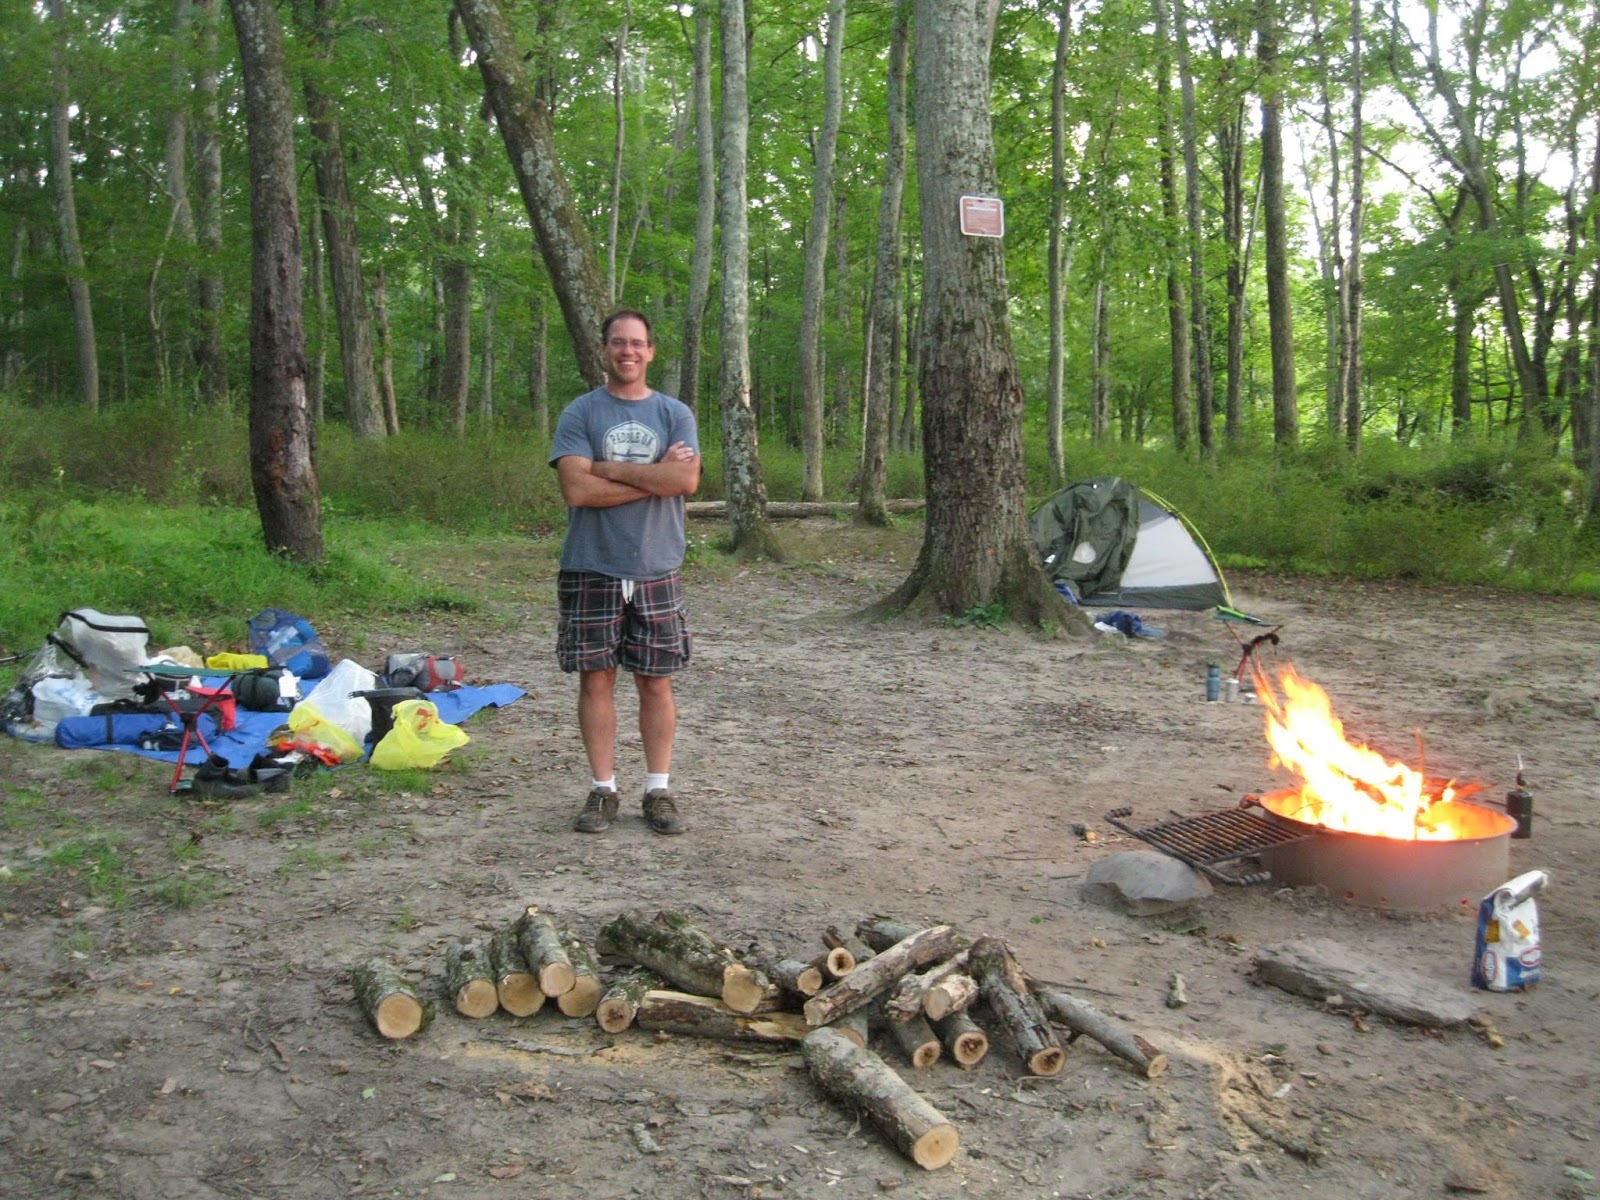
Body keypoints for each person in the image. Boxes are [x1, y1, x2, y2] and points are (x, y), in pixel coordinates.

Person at [549, 310, 701, 835]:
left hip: (657, 565)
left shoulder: (674, 413)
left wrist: (607, 468)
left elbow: (686, 482)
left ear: (650, 351)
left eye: (637, 343)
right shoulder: (580, 412)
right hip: (592, 563)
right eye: (618, 342)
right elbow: (577, 489)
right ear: (605, 350)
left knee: (656, 681)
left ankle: (658, 790)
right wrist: (656, 477)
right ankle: (603, 790)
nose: (627, 351)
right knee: (596, 678)